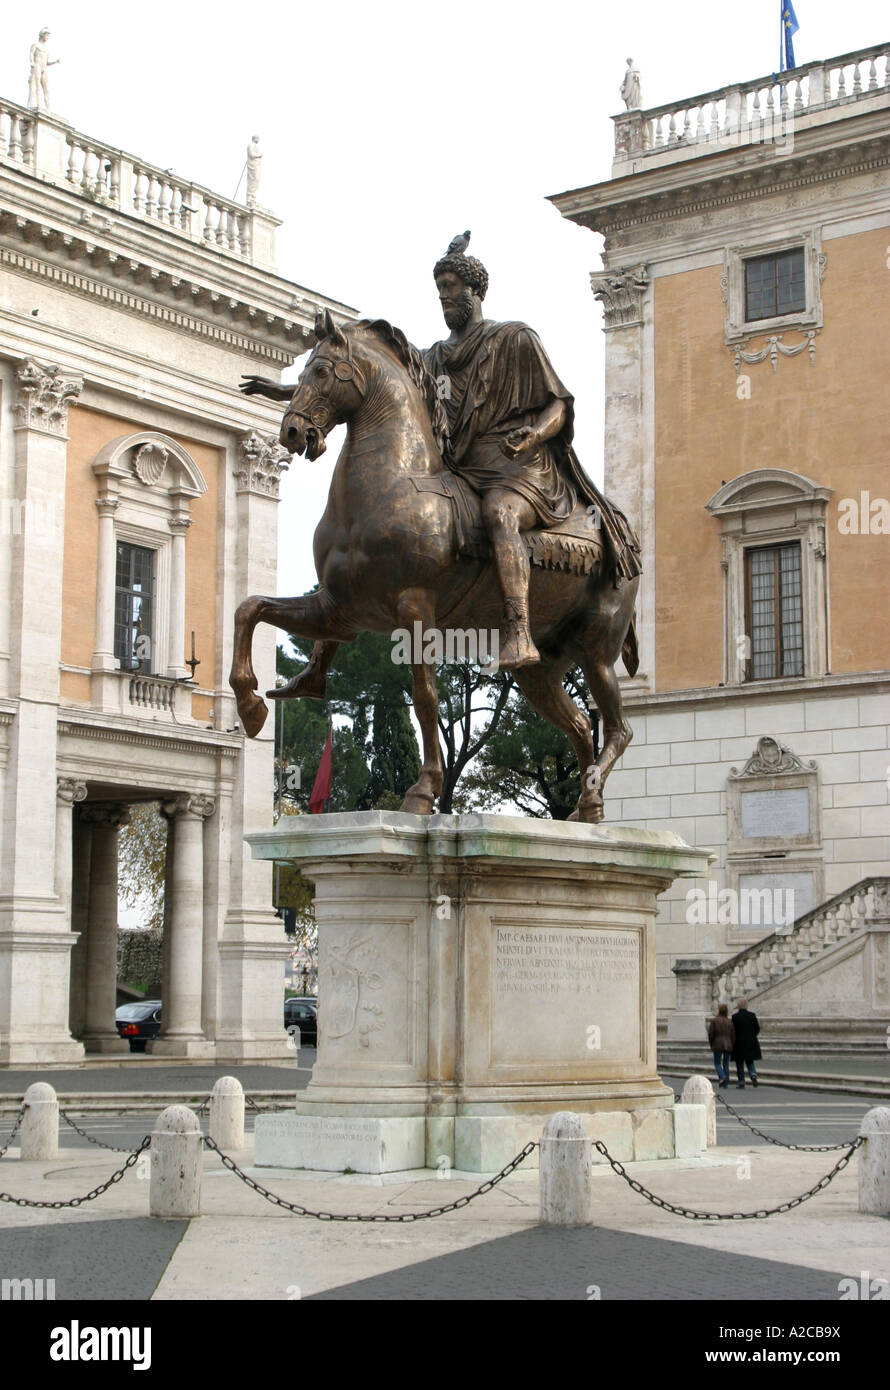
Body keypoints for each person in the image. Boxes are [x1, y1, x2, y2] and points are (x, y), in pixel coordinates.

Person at [422, 241, 641, 670]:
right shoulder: (433, 359)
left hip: (520, 468)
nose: (444, 297)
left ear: (474, 290)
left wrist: (533, 435)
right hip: (463, 469)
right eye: (439, 289)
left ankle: (519, 630)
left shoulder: (515, 339)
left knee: (500, 514)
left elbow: (559, 404)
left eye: (450, 286)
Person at [732, 998, 761, 1088]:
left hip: (739, 1042)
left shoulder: (735, 1017)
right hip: (751, 1041)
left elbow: (733, 1030)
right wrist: (752, 1036)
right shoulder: (752, 1015)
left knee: (739, 1063)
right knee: (750, 1060)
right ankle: (753, 1074)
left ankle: (741, 1081)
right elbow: (757, 1028)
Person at [28, 29, 58, 111]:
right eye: (47, 35)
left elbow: (47, 62)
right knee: (36, 86)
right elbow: (31, 54)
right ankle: (37, 104)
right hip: (37, 66)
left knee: (46, 89)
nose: (48, 37)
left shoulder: (46, 49)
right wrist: (32, 63)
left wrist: (55, 62)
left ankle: (48, 108)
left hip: (44, 68)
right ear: (42, 35)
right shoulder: (35, 45)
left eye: (48, 35)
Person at [707, 1003, 734, 1088]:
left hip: (718, 1043)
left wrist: (711, 1043)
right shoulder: (729, 1021)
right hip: (728, 1044)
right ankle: (725, 1082)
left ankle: (722, 1076)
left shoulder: (715, 1021)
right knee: (726, 1064)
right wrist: (732, 1044)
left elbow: (711, 1034)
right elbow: (733, 1035)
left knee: (717, 1063)